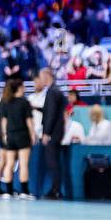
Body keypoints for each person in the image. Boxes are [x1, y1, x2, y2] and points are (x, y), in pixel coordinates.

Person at [0, 77, 34, 199]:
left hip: (10, 136)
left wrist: (5, 135)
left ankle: (8, 191)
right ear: (20, 88)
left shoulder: (6, 102)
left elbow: (4, 121)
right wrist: (32, 134)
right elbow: (29, 121)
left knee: (9, 163)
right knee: (23, 163)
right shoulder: (24, 102)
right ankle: (25, 191)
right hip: (22, 136)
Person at [37, 68, 66, 199]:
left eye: (41, 77)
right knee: (53, 162)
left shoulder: (52, 92)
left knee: (52, 162)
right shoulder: (55, 91)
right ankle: (55, 189)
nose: (39, 80)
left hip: (53, 133)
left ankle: (55, 190)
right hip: (57, 131)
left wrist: (46, 133)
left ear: (47, 76)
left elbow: (51, 114)